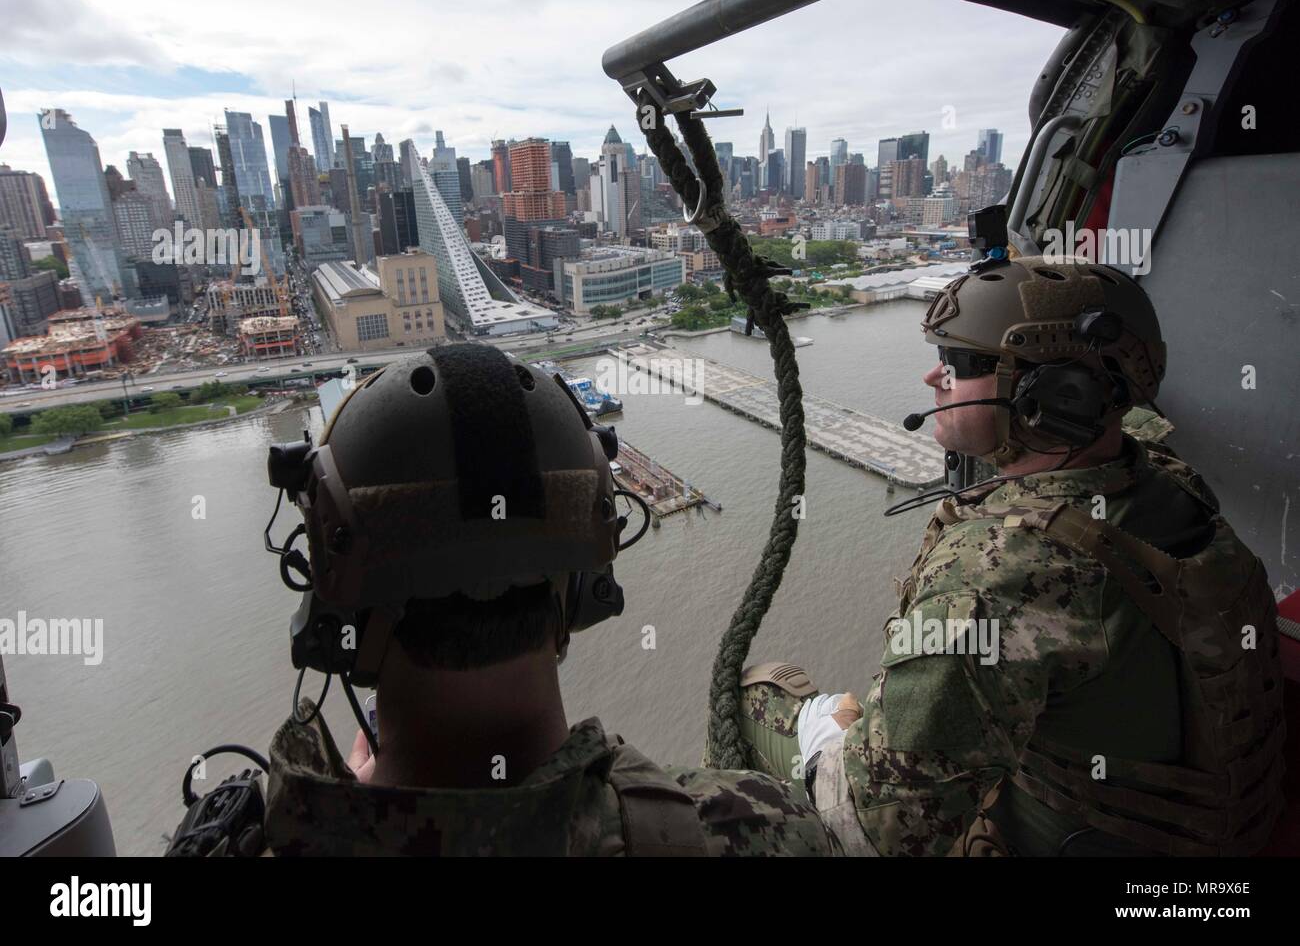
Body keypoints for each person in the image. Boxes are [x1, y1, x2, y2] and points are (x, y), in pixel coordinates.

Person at [739, 254, 1286, 857]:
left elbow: (876, 831)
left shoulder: (995, 574)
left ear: (1059, 396)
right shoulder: (1170, 481)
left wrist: (822, 744)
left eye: (959, 364)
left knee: (758, 693)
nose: (933, 379)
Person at [245, 342, 839, 857]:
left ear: (336, 608)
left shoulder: (252, 838)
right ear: (581, 592)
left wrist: (347, 814)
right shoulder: (764, 827)